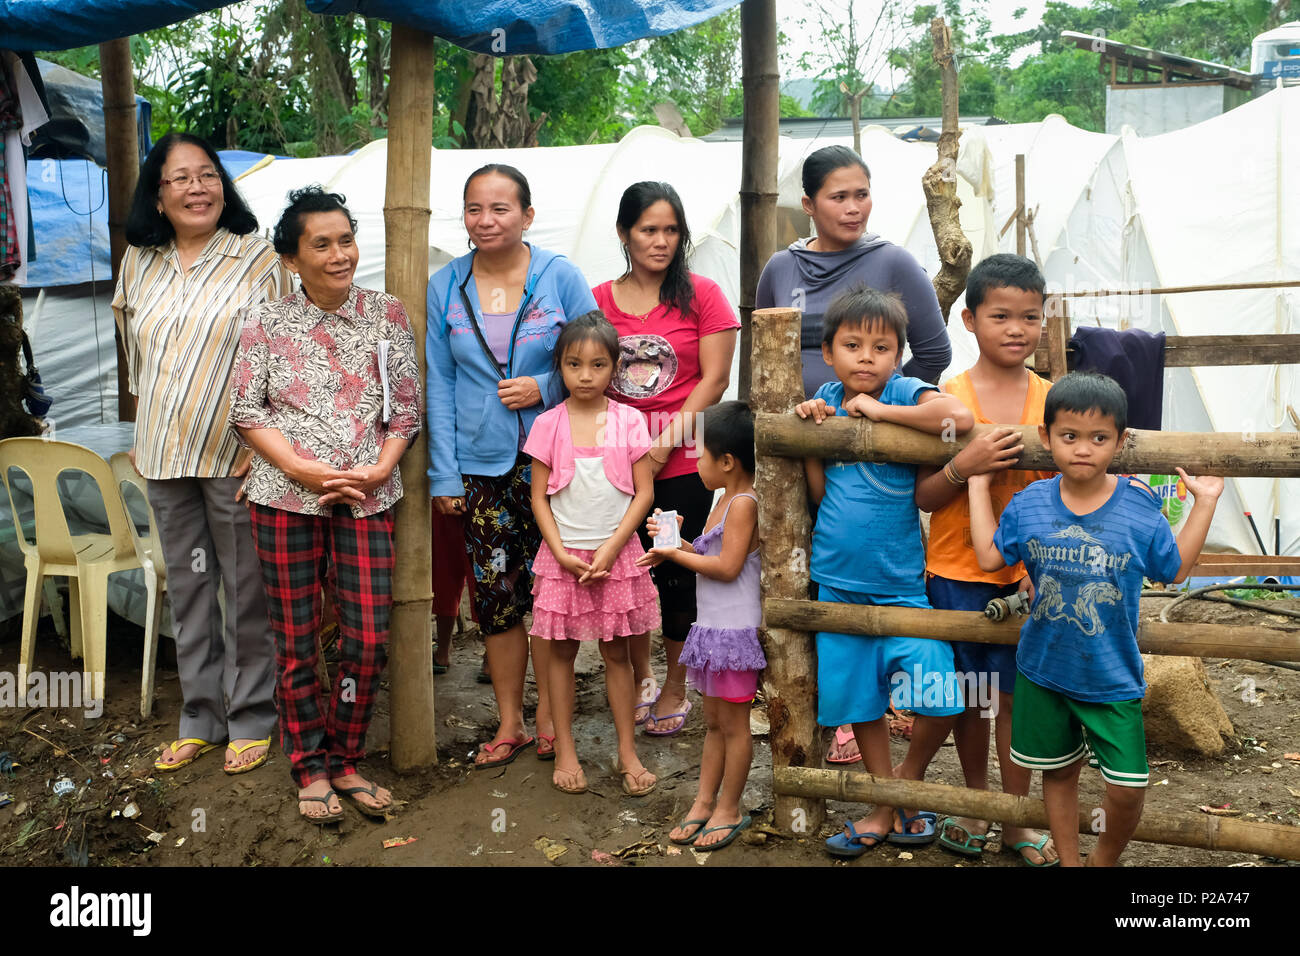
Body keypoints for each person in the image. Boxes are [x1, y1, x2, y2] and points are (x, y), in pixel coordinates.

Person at [969, 372, 1222, 866]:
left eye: (1098, 438)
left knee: (1128, 788)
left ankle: (1102, 859)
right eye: (1070, 436)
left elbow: (1174, 570)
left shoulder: (1140, 509)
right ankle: (1069, 860)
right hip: (1044, 669)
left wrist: (1205, 502)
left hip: (1112, 675)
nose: (1082, 449)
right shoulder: (1030, 505)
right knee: (1059, 773)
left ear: (1120, 442)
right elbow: (987, 558)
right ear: (1046, 437)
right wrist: (978, 483)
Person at [756, 144, 953, 765]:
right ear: (809, 204)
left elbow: (935, 354)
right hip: (800, 443)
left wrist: (884, 415)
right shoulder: (778, 268)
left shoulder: (893, 261)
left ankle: (880, 758)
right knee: (815, 576)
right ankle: (833, 719)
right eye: (838, 196)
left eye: (861, 193)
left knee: (868, 569)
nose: (852, 207)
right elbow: (762, 354)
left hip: (871, 451)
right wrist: (808, 422)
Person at [229, 186, 421, 823]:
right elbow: (247, 411)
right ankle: (309, 766)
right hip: (285, 499)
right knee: (298, 639)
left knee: (366, 638)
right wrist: (301, 469)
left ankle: (344, 756)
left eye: (346, 240)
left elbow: (406, 407)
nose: (340, 254)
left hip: (368, 496)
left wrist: (380, 468)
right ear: (291, 258)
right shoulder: (264, 322)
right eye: (322, 244)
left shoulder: (385, 314)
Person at [113, 132, 290, 778]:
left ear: (224, 186)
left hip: (235, 455)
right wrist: (143, 427)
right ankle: (199, 717)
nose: (197, 187)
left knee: (245, 590)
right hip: (163, 455)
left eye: (207, 175)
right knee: (188, 589)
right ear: (157, 198)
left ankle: (250, 717)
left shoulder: (256, 256)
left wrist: (268, 443)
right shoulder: (141, 261)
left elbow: (282, 353)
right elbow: (136, 349)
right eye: (180, 178)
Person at [427, 163, 598, 768]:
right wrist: (444, 476)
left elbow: (599, 357)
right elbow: (438, 384)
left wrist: (546, 386)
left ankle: (552, 717)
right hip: (480, 470)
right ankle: (510, 722)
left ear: (528, 215)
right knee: (497, 596)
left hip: (556, 463)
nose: (485, 220)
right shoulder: (445, 285)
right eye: (474, 208)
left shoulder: (560, 277)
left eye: (500, 208)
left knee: (554, 592)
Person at [795, 285, 974, 856]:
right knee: (859, 700)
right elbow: (820, 497)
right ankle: (882, 804)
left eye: (881, 346)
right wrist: (808, 435)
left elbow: (958, 416)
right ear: (829, 353)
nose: (867, 357)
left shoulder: (903, 391)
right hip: (837, 585)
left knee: (941, 692)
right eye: (853, 345)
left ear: (898, 354)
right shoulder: (822, 396)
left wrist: (879, 411)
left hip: (900, 587)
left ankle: (905, 782)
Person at [914, 254, 1059, 865]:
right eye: (1000, 315)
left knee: (1016, 701)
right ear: (969, 319)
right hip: (956, 570)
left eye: (1030, 316)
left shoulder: (1056, 402)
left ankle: (1017, 819)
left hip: (1031, 575)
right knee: (973, 698)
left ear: (1044, 321)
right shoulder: (949, 399)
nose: (1016, 328)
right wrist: (961, 467)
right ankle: (979, 804)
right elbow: (923, 493)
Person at [593, 181, 738, 737]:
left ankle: (677, 685)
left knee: (675, 572)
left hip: (681, 461)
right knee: (625, 573)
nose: (661, 241)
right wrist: (625, 449)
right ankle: (641, 674)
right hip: (615, 458)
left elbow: (715, 379)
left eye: (671, 230)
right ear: (625, 233)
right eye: (648, 230)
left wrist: (661, 444)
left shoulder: (702, 295)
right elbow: (590, 373)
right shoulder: (599, 299)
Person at [525, 313, 660, 796]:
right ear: (559, 366)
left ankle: (627, 752)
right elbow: (538, 497)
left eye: (598, 364)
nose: (585, 375)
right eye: (574, 364)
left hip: (617, 558)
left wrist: (613, 546)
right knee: (559, 654)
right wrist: (560, 553)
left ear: (615, 367)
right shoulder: (547, 424)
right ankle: (565, 749)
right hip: (563, 561)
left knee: (616, 654)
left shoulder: (630, 421)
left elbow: (644, 494)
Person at [640, 401, 764, 851]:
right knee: (713, 724)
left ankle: (730, 808)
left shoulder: (744, 503)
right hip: (711, 630)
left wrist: (677, 555)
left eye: (701, 454)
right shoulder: (722, 500)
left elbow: (728, 568)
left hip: (733, 634)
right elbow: (712, 556)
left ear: (727, 462)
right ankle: (703, 801)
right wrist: (673, 544)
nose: (695, 462)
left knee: (734, 727)